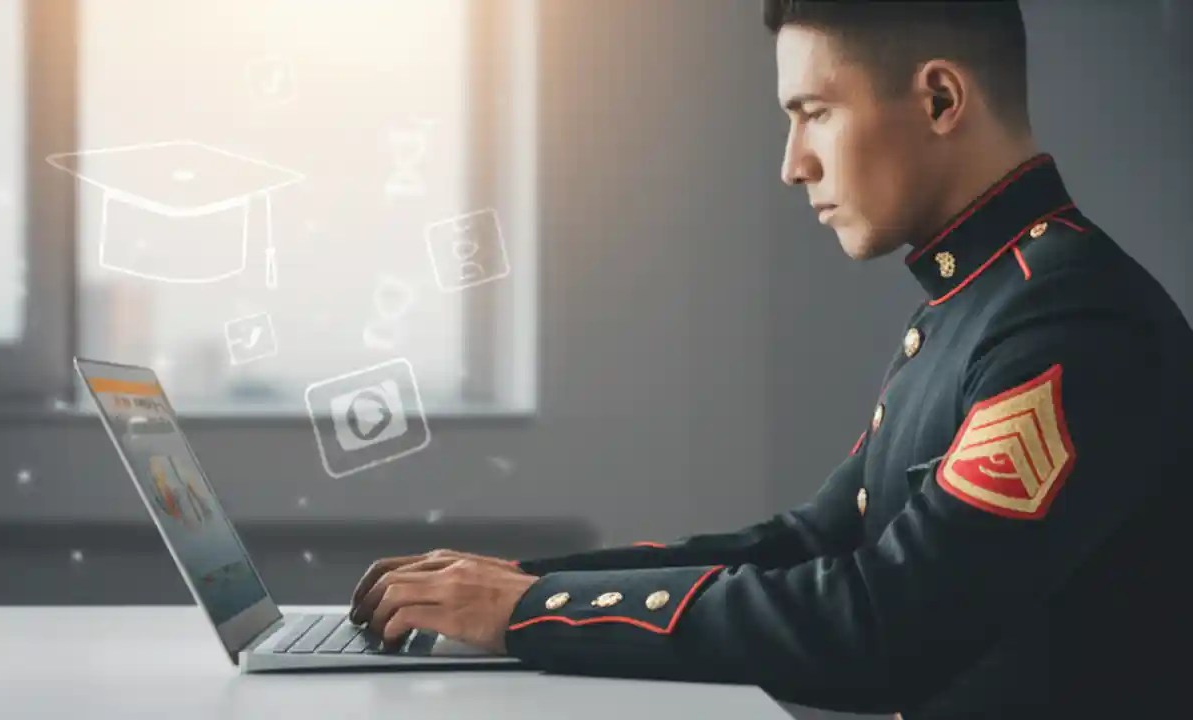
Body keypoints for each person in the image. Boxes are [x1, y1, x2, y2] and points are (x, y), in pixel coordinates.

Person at [347, 1, 1191, 716]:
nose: (793, 166)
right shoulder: (982, 304)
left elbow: (885, 623)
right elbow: (809, 543)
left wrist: (534, 610)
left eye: (814, 111)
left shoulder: (1070, 321)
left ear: (939, 98)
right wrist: (512, 581)